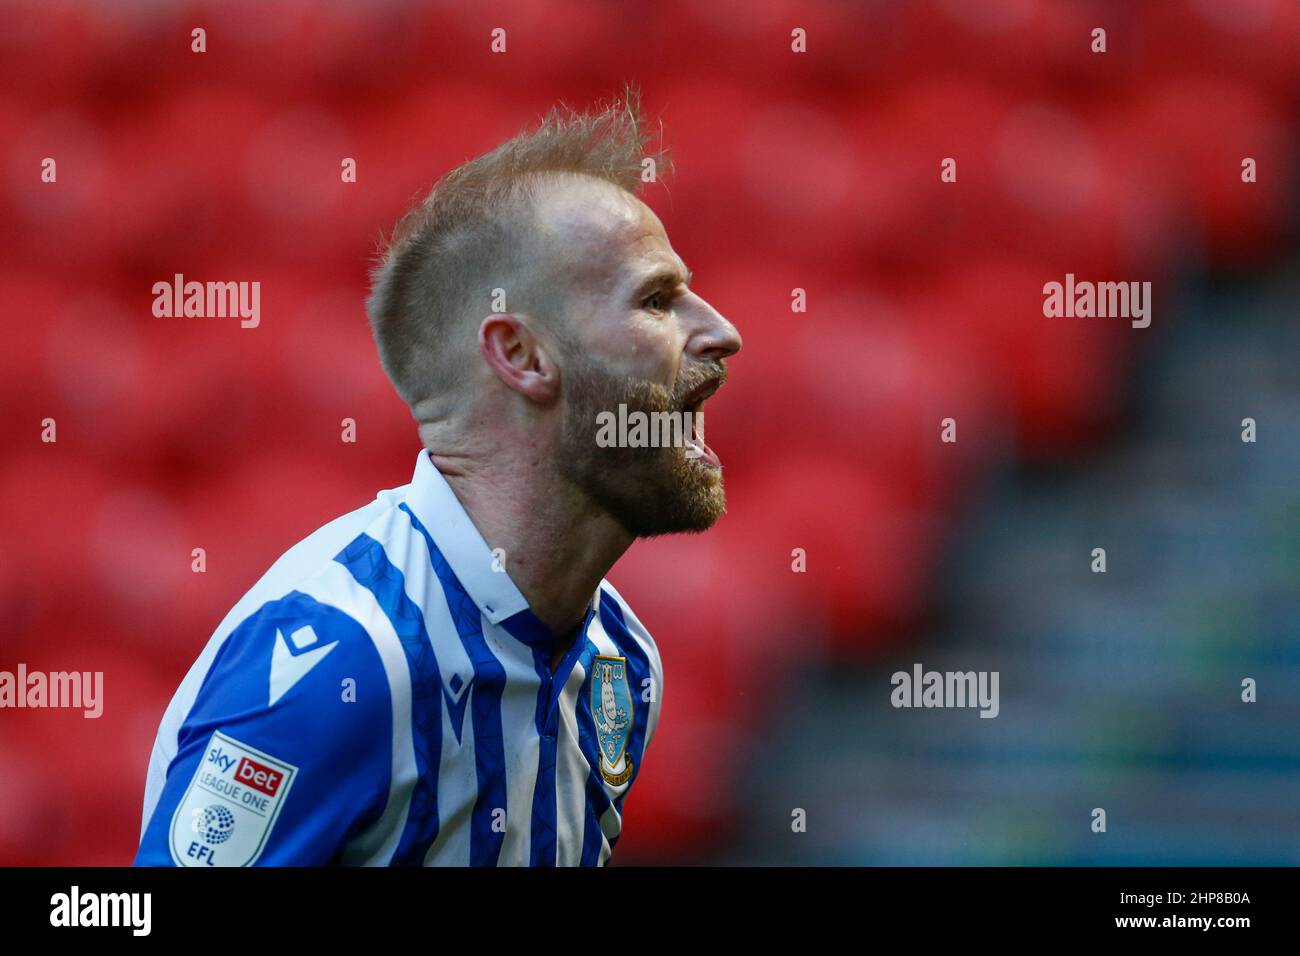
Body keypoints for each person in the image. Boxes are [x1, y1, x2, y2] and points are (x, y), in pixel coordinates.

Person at [134, 90, 742, 867]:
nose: (723, 332)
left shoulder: (620, 661)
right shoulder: (344, 662)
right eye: (658, 300)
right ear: (522, 356)